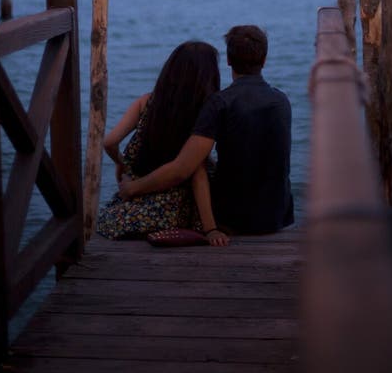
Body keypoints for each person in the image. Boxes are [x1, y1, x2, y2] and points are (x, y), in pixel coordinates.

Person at [119, 25, 294, 236]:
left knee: (198, 169)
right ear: (264, 60)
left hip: (232, 220)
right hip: (275, 217)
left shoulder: (220, 103)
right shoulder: (282, 101)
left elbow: (182, 169)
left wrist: (132, 188)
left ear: (228, 61)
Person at [96, 40, 229, 246]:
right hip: (173, 209)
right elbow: (197, 172)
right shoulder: (201, 114)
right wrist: (211, 229)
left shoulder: (145, 102)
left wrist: (121, 163)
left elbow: (110, 141)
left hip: (139, 203)